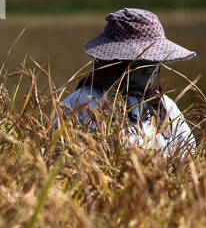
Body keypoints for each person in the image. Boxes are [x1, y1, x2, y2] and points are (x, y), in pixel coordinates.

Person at [59, 8, 196, 157]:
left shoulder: (165, 107)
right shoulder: (81, 105)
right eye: (142, 61)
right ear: (115, 63)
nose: (151, 69)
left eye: (156, 60)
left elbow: (188, 159)